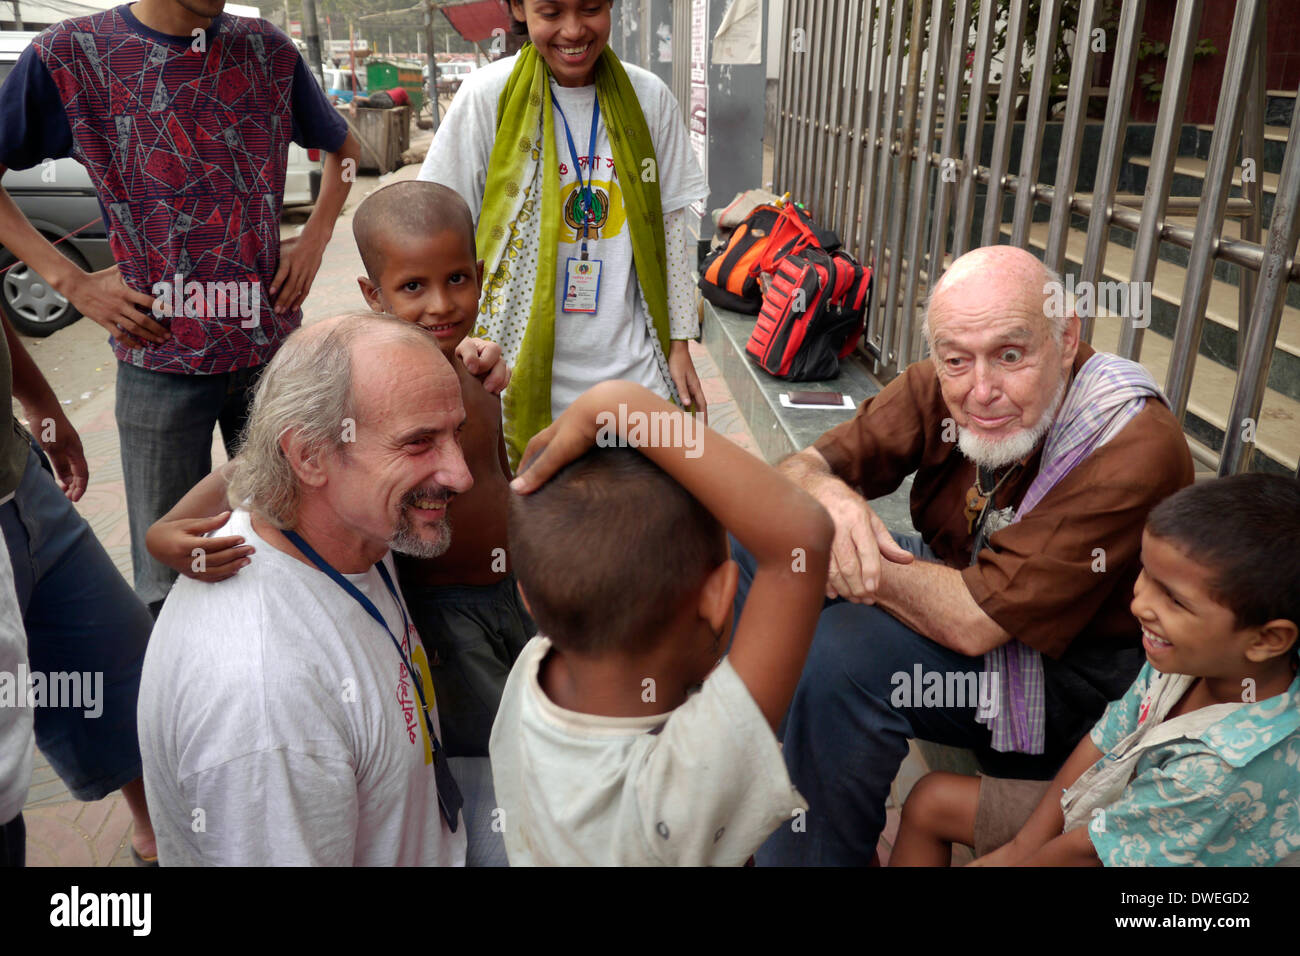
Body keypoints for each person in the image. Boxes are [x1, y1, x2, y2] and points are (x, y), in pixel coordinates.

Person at [747, 244, 1196, 866]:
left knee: (845, 656)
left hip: (1065, 684)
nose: (982, 390)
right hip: (971, 586)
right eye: (957, 359)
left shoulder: (1130, 446)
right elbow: (806, 465)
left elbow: (973, 621)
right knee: (756, 549)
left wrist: (839, 549)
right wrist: (824, 492)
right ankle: (743, 787)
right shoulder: (951, 371)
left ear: (1066, 338)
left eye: (1011, 356)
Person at [147, 181, 532, 759]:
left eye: (457, 279)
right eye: (412, 286)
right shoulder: (367, 385)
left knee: (536, 711)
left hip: (511, 588)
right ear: (373, 295)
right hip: (444, 609)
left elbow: (496, 476)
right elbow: (264, 458)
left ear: (479, 273)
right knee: (496, 747)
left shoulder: (475, 368)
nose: (441, 304)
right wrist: (164, 531)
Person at [0, 0, 361, 616]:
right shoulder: (71, 54)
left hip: (273, 358)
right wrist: (73, 282)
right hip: (157, 360)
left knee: (302, 546)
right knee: (168, 579)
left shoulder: (267, 50)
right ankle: (181, 702)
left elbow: (345, 150)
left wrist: (317, 238)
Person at [138, 314, 473, 865]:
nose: (461, 475)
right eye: (418, 443)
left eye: (454, 433)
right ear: (309, 456)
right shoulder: (267, 705)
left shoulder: (343, 515)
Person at [491, 380, 833, 865]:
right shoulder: (681, 784)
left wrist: (618, 410)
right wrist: (614, 402)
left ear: (527, 595)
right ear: (720, 597)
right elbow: (803, 540)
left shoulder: (535, 665)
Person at [890, 474, 1300, 867]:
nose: (1140, 604)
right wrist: (1022, 845)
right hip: (1112, 814)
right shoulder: (1191, 658)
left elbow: (1088, 854)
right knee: (932, 801)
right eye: (1147, 574)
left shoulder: (1220, 774)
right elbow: (1109, 734)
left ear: (1266, 640)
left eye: (1175, 600)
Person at [418, 0, 710, 466]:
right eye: (551, 12)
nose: (573, 31)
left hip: (636, 377)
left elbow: (672, 236)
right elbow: (434, 229)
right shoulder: (485, 97)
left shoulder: (649, 97)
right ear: (518, 7)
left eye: (590, 8)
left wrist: (678, 347)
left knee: (643, 520)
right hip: (513, 376)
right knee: (533, 519)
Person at [0, 313, 158, 864]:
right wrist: (71, 280)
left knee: (117, 655)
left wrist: (39, 402)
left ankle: (156, 826)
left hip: (21, 483)